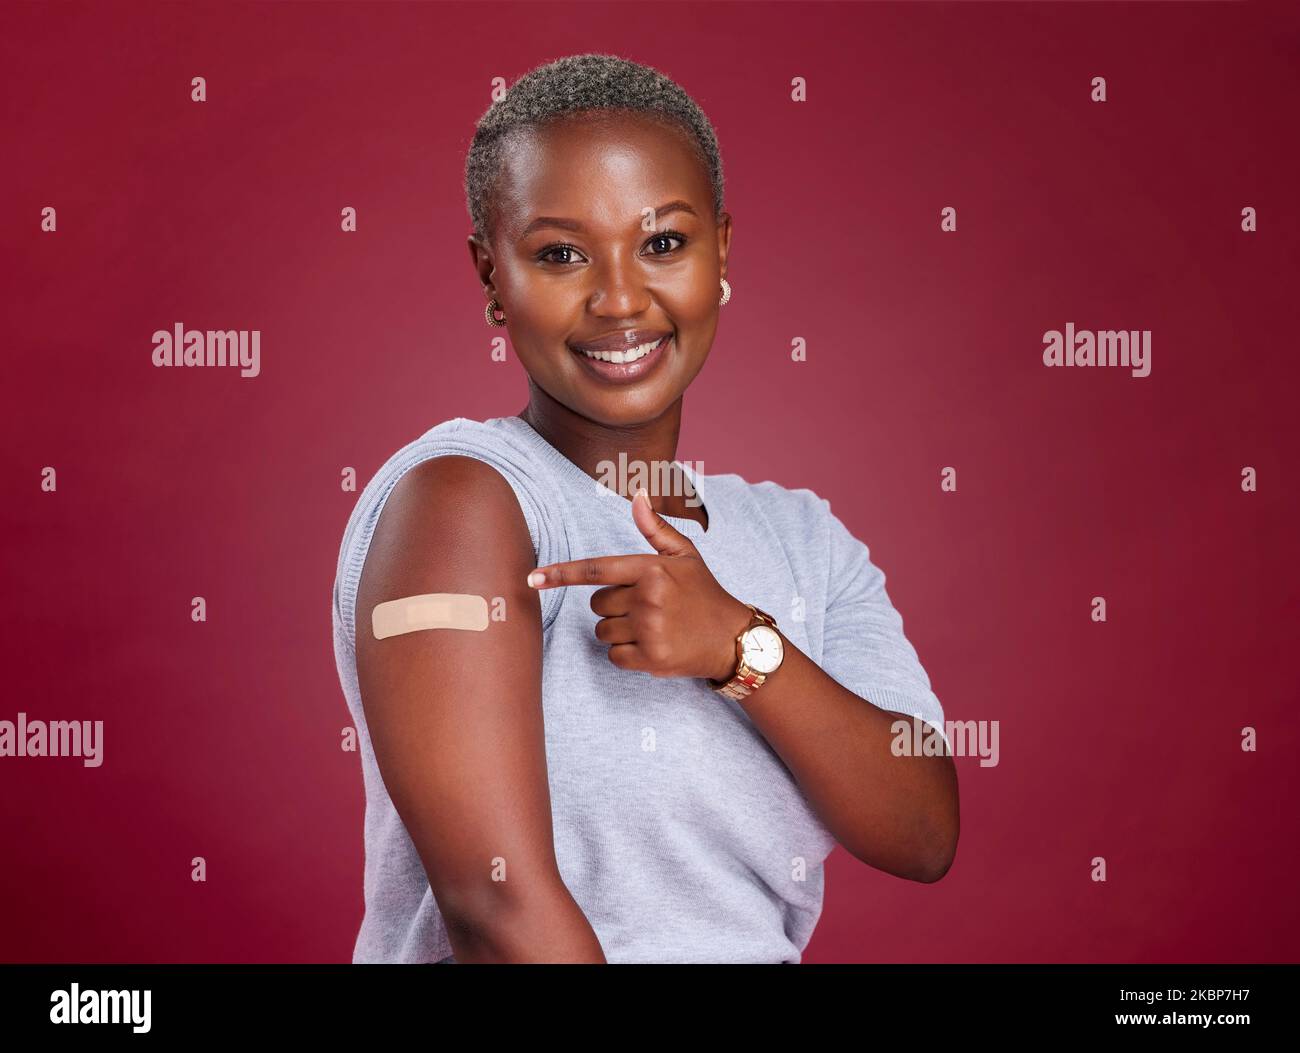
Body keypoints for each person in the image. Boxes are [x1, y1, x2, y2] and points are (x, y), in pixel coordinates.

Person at [330, 53, 959, 965]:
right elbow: (495, 905)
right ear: (491, 277)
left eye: (662, 242)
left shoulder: (804, 540)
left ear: (723, 252)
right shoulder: (465, 501)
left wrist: (743, 647)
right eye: (560, 254)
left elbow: (923, 829)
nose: (620, 299)